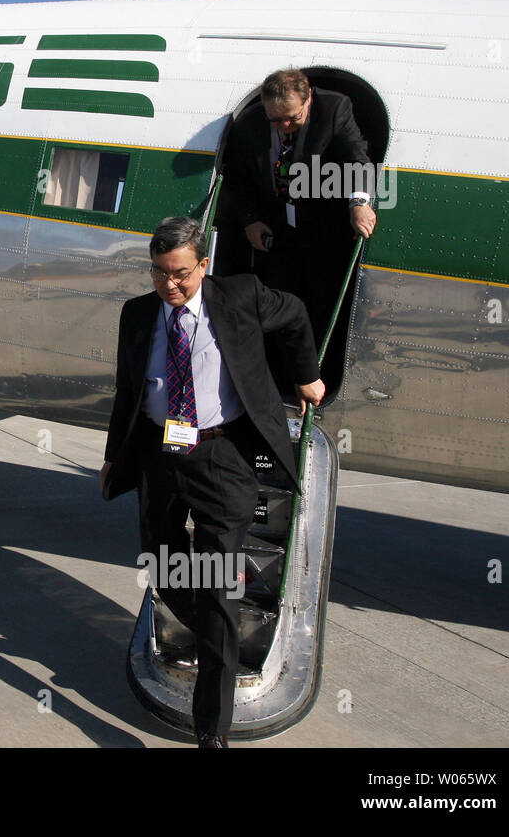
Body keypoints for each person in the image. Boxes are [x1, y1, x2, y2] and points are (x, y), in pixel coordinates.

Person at [99, 217, 325, 747]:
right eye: (158, 273)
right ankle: (212, 635)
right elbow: (126, 389)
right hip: (161, 452)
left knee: (218, 582)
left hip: (222, 455)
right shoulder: (137, 314)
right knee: (162, 562)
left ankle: (212, 730)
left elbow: (294, 316)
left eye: (179, 274)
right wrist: (114, 456)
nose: (168, 285)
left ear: (204, 264)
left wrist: (306, 373)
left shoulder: (240, 297)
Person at [226, 69, 378, 349]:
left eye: (292, 118)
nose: (284, 125)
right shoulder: (251, 123)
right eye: (276, 120)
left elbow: (358, 159)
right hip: (277, 235)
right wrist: (250, 220)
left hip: (324, 232)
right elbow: (238, 178)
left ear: (308, 100)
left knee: (320, 306)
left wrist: (359, 203)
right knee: (276, 307)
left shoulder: (334, 109)